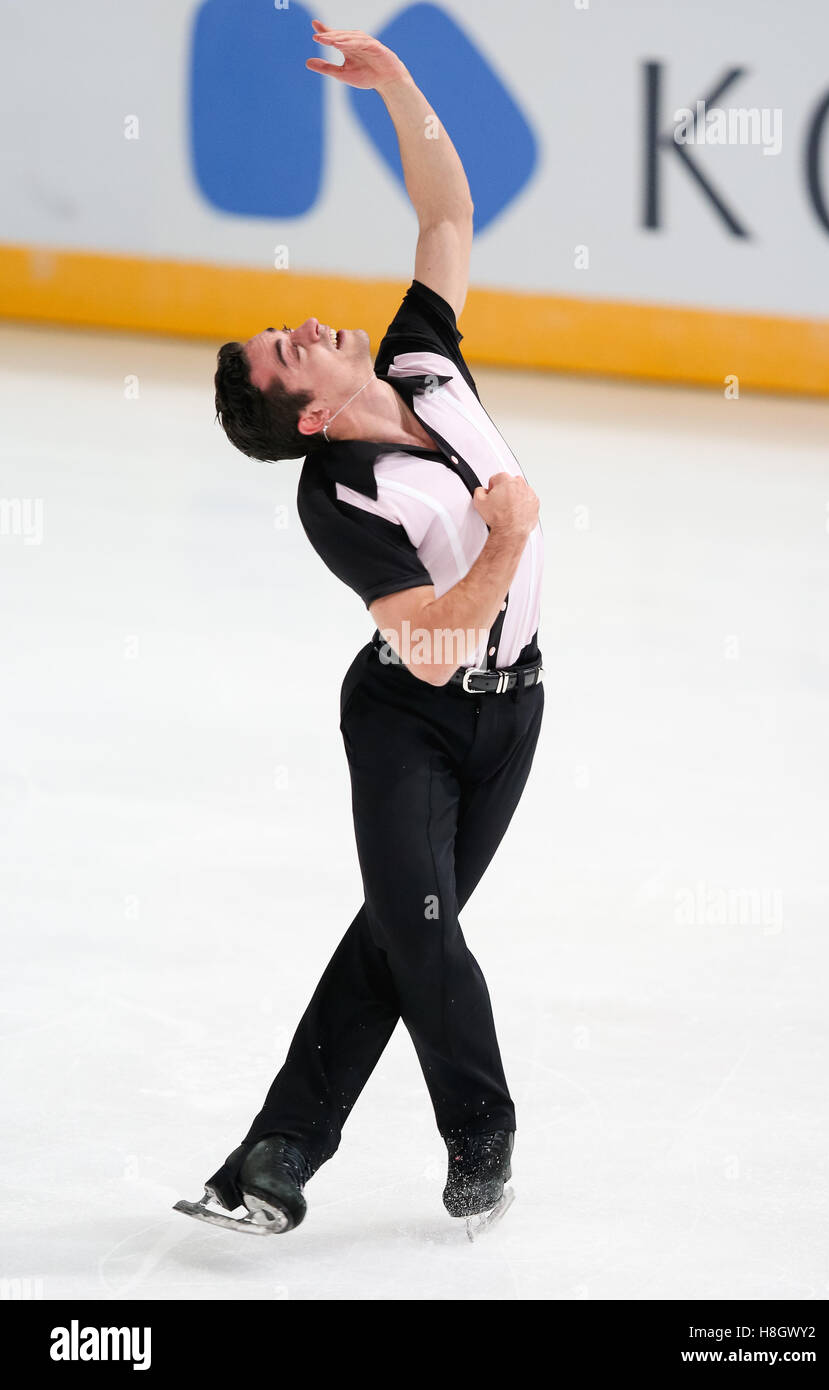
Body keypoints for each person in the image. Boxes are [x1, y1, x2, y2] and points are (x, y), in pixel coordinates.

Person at [174, 20, 544, 1237]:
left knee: (403, 929)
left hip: (515, 711)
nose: (308, 325)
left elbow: (446, 214)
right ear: (309, 417)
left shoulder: (423, 360)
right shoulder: (336, 496)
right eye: (291, 351)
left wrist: (398, 89)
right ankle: (465, 1131)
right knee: (415, 923)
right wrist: (503, 539)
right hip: (410, 717)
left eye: (290, 328)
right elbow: (429, 645)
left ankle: (273, 1157)